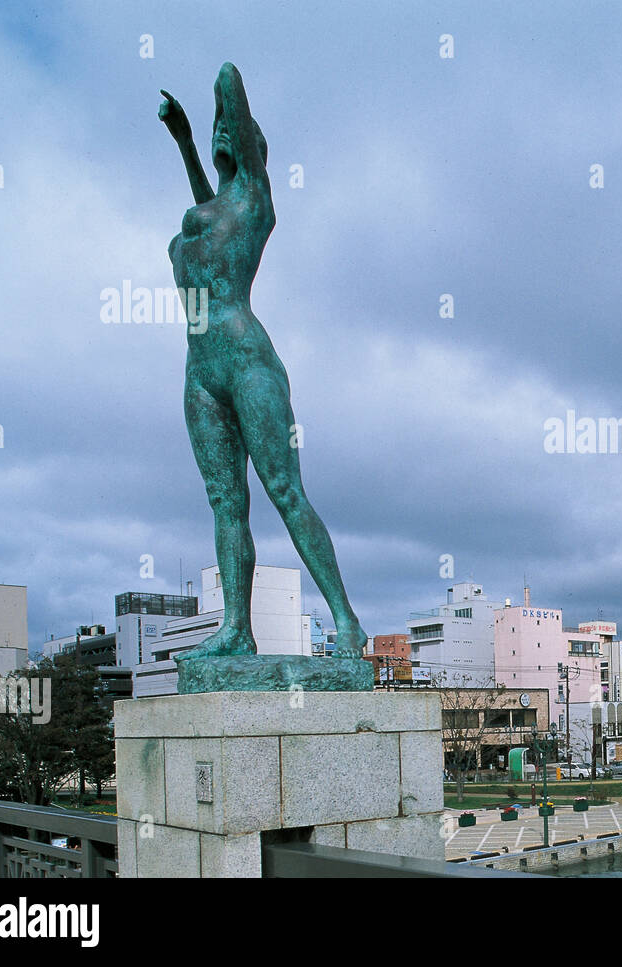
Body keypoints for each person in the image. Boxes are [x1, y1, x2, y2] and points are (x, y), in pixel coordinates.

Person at [159, 64, 367, 662]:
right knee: (226, 503)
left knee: (283, 490)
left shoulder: (256, 200)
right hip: (200, 369)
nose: (227, 130)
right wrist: (187, 143)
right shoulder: (216, 209)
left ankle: (347, 623)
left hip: (248, 359)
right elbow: (206, 207)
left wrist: (222, 114)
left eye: (237, 128)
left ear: (253, 149)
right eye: (223, 127)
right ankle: (235, 630)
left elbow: (227, 79)